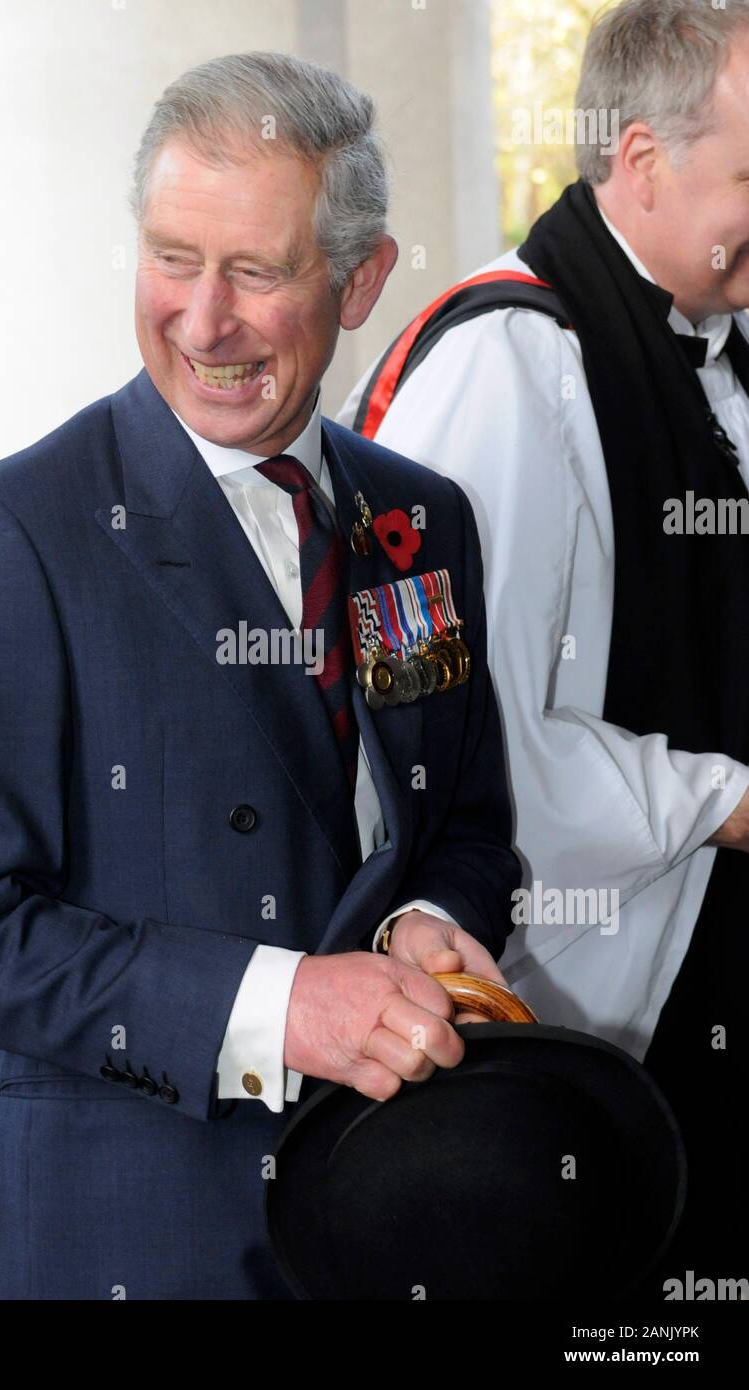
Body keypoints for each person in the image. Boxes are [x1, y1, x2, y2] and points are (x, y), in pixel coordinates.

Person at [0, 51, 519, 1301]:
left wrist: (429, 922)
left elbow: (463, 821)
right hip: (130, 1245)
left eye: (255, 272)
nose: (201, 321)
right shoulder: (11, 539)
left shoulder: (418, 521)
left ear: (361, 278)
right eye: (171, 257)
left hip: (388, 1218)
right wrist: (283, 1008)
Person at [338, 0, 749, 1285]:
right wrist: (733, 801)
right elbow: (478, 746)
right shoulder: (509, 364)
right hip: (567, 976)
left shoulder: (713, 349)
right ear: (639, 161)